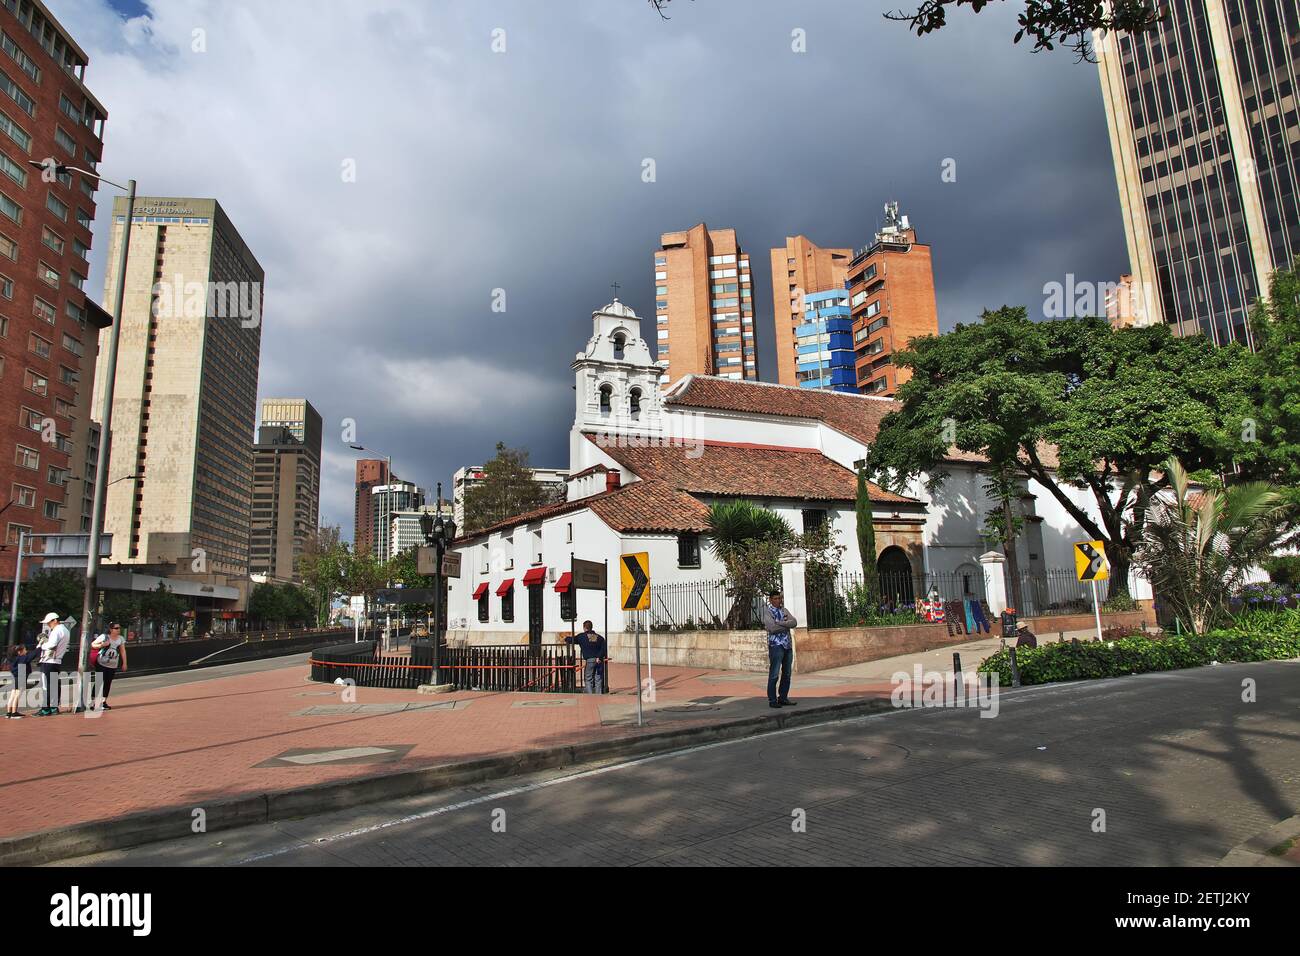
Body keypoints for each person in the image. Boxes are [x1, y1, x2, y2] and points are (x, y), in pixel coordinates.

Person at [761, 590, 798, 708]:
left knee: (787, 673)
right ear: (771, 600)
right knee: (774, 674)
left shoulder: (784, 610)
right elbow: (772, 628)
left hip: (787, 645)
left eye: (779, 598)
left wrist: (780, 623)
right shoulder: (768, 612)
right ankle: (772, 700)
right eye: (775, 598)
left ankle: (783, 697)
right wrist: (785, 625)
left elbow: (794, 622)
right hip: (776, 645)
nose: (778, 601)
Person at [36, 612, 70, 716]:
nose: (48, 624)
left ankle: (45, 709)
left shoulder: (56, 630)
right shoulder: (65, 630)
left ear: (55, 620)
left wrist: (42, 644)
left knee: (46, 685)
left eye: (49, 622)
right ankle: (54, 707)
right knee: (54, 685)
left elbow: (52, 644)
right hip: (57, 661)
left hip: (49, 661)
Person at [90, 623, 128, 710]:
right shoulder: (104, 637)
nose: (118, 629)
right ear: (111, 629)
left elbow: (123, 651)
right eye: (116, 628)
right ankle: (93, 702)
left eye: (119, 628)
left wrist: (124, 663)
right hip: (101, 663)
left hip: (113, 664)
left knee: (108, 683)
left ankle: (103, 702)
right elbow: (93, 644)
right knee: (99, 682)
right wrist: (102, 645)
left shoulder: (121, 639)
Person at [564, 620, 607, 694]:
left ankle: (590, 696)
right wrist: (599, 657)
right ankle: (599, 696)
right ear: (591, 627)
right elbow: (603, 648)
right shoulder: (600, 638)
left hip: (590, 660)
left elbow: (572, 640)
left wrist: (566, 638)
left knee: (588, 678)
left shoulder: (582, 636)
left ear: (584, 628)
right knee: (598, 679)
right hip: (599, 660)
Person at [5, 643, 38, 719]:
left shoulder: (14, 658)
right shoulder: (21, 658)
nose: (26, 651)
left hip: (15, 677)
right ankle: (14, 713)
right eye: (25, 649)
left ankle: (8, 713)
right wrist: (39, 647)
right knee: (17, 695)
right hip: (20, 678)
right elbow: (32, 656)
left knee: (12, 695)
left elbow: (29, 655)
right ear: (19, 652)